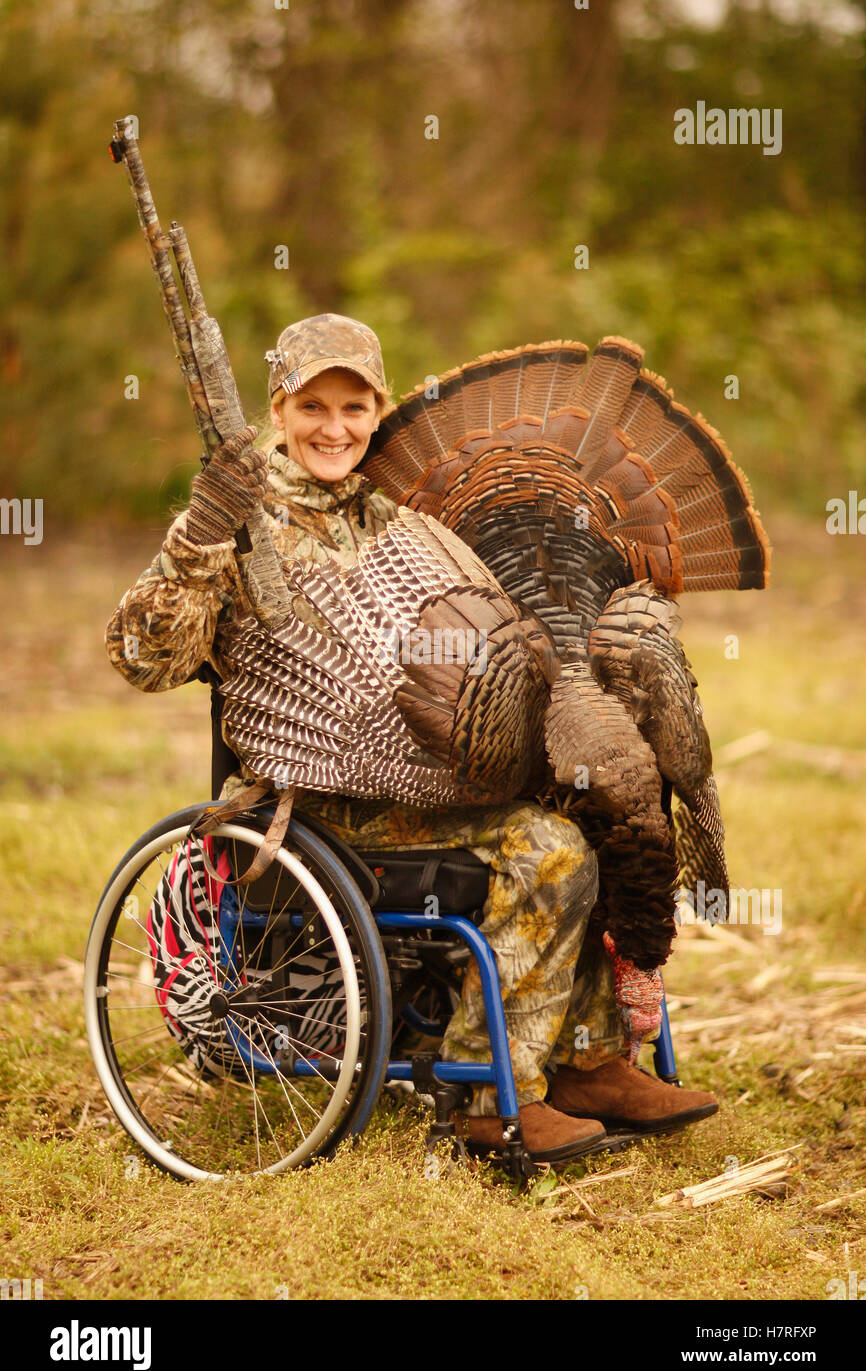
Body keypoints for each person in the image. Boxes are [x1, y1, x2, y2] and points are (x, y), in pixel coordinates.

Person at [106, 312, 718, 1163]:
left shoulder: (404, 524)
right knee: (547, 850)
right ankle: (484, 1095)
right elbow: (141, 658)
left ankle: (587, 1062)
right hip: (322, 806)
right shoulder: (243, 526)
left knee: (591, 814)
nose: (333, 428)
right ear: (278, 410)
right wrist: (199, 534)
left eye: (353, 408)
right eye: (312, 406)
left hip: (424, 785)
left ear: (378, 411)